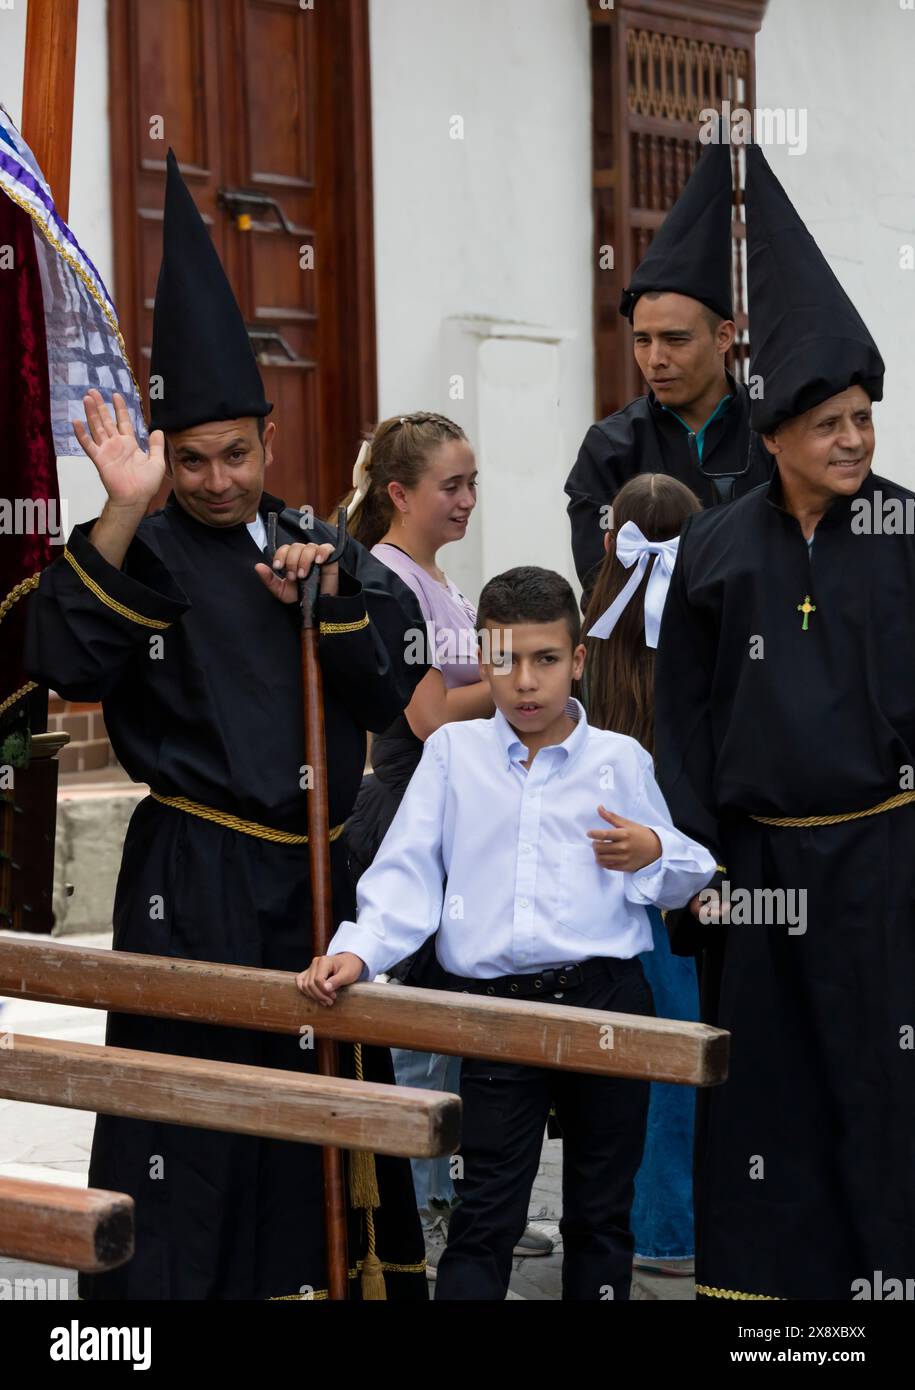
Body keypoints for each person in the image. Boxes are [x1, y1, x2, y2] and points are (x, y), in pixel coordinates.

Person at [23, 150, 429, 1301]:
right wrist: (120, 505)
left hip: (311, 874)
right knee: (184, 1118)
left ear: (269, 434)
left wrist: (334, 597)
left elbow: (394, 690)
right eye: (189, 459)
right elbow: (61, 659)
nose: (213, 480)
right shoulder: (138, 543)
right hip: (189, 878)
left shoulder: (313, 542)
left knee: (306, 1119)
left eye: (234, 454)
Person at [298, 567, 716, 1300]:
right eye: (502, 659)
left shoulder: (619, 761)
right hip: (494, 1011)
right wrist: (356, 950)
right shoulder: (453, 756)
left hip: (605, 1005)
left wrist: (654, 851)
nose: (524, 681)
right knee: (487, 1207)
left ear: (577, 660)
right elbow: (407, 874)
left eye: (544, 660)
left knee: (600, 1210)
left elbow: (687, 873)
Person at [654, 143, 915, 1301]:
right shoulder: (716, 549)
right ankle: (772, 1311)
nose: (856, 440)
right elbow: (682, 718)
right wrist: (702, 862)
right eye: (831, 425)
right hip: (757, 865)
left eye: (865, 418)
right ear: (774, 438)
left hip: (890, 857)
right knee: (768, 1091)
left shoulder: (910, 532)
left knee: (886, 1080)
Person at [341, 415, 553, 1259]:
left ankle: (460, 1197)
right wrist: (518, 677)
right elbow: (424, 714)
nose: (467, 500)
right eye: (450, 487)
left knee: (458, 1003)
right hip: (408, 806)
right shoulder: (390, 578)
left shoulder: (433, 579)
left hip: (451, 807)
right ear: (399, 495)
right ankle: (428, 1202)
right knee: (426, 1010)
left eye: (472, 484)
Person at [579, 473, 702, 1274]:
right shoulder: (703, 631)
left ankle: (622, 1221)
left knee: (621, 1060)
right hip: (675, 877)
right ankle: (667, 1229)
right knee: (677, 1059)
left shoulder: (584, 642)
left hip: (593, 884)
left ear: (608, 542)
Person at [565, 136, 770, 599]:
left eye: (675, 339)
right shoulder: (611, 449)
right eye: (643, 339)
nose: (655, 358)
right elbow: (603, 585)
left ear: (724, 336)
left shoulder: (772, 432)